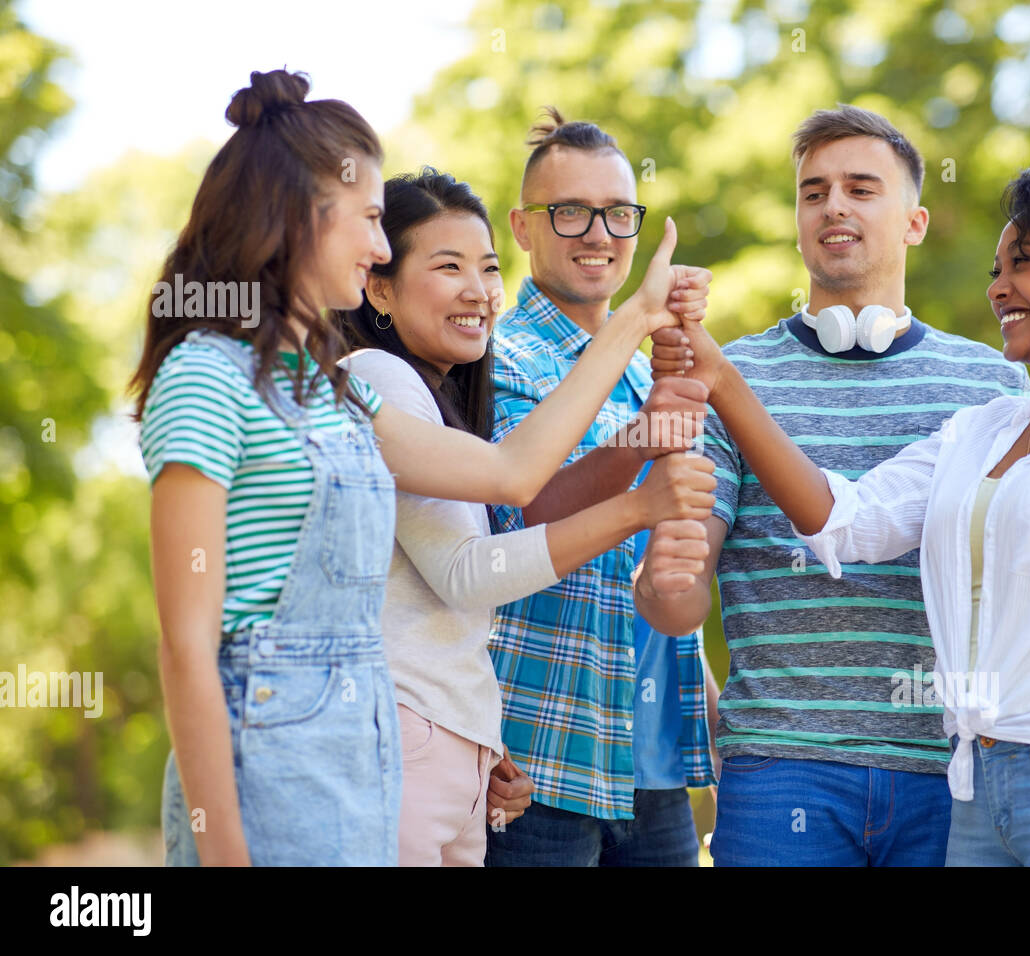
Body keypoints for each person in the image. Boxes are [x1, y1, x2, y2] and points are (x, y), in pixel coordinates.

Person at [130, 70, 710, 866]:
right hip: (270, 757)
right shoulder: (207, 377)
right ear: (299, 216)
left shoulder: (338, 395)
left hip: (367, 758)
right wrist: (221, 850)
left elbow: (512, 472)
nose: (377, 244)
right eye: (369, 218)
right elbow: (187, 647)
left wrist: (637, 321)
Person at [650, 154, 1030, 866]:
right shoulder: (981, 430)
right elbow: (844, 521)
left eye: (1020, 263)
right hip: (978, 795)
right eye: (996, 269)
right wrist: (719, 376)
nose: (997, 289)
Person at [634, 105, 1030, 867]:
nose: (834, 206)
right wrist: (664, 582)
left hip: (948, 772)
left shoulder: (992, 382)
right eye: (813, 192)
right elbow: (678, 594)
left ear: (915, 222)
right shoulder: (729, 375)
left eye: (860, 188)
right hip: (781, 769)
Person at [338, 167, 716, 866]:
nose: (479, 289)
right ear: (379, 286)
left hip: (463, 751)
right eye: (447, 266)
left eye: (485, 268)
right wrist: (639, 499)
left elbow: (437, 605)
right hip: (413, 747)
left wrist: (480, 737)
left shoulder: (438, 397)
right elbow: (483, 550)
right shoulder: (375, 378)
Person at [484, 108, 720, 867]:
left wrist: (719, 725)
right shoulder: (494, 357)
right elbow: (526, 512)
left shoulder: (652, 371)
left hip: (652, 773)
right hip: (537, 761)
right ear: (523, 228)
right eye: (570, 212)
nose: (598, 234)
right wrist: (644, 437)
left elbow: (662, 557)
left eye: (618, 214)